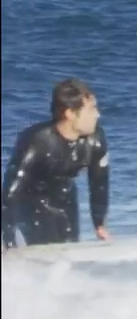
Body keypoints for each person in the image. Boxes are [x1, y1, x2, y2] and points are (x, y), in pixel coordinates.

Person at [1, 78, 113, 250]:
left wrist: (99, 224)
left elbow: (99, 184)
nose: (97, 114)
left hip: (65, 198)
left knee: (69, 247)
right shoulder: (36, 141)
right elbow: (10, 192)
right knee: (45, 250)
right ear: (69, 113)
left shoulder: (95, 139)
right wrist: (7, 238)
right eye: (91, 109)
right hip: (30, 203)